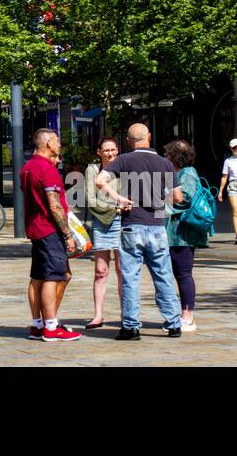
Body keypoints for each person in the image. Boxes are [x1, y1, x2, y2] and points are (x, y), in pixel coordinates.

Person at [96, 123, 184, 341]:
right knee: (163, 275)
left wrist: (118, 198)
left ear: (128, 140)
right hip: (156, 227)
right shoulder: (165, 163)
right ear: (150, 137)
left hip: (131, 225)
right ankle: (173, 323)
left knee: (130, 278)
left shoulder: (124, 160)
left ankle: (131, 327)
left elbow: (99, 181)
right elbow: (178, 197)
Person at [21, 128, 81, 341]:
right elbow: (54, 205)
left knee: (37, 277)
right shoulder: (47, 169)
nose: (59, 144)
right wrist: (67, 234)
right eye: (57, 140)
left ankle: (37, 324)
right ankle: (51, 326)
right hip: (49, 229)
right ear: (47, 143)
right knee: (53, 277)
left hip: (36, 228)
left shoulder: (27, 167)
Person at [164, 140, 208, 332]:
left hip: (182, 234)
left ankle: (188, 316)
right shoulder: (177, 173)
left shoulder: (187, 173)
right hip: (174, 234)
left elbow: (184, 199)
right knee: (176, 273)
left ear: (175, 157)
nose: (165, 157)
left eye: (168, 155)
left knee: (183, 274)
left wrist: (159, 197)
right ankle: (180, 314)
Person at [83, 136, 123, 329]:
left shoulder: (125, 167)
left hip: (123, 222)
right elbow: (91, 200)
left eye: (113, 149)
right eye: (106, 150)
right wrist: (115, 208)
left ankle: (126, 313)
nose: (110, 153)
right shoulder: (92, 170)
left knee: (123, 271)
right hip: (101, 223)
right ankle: (98, 315)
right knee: (101, 271)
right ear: (99, 152)